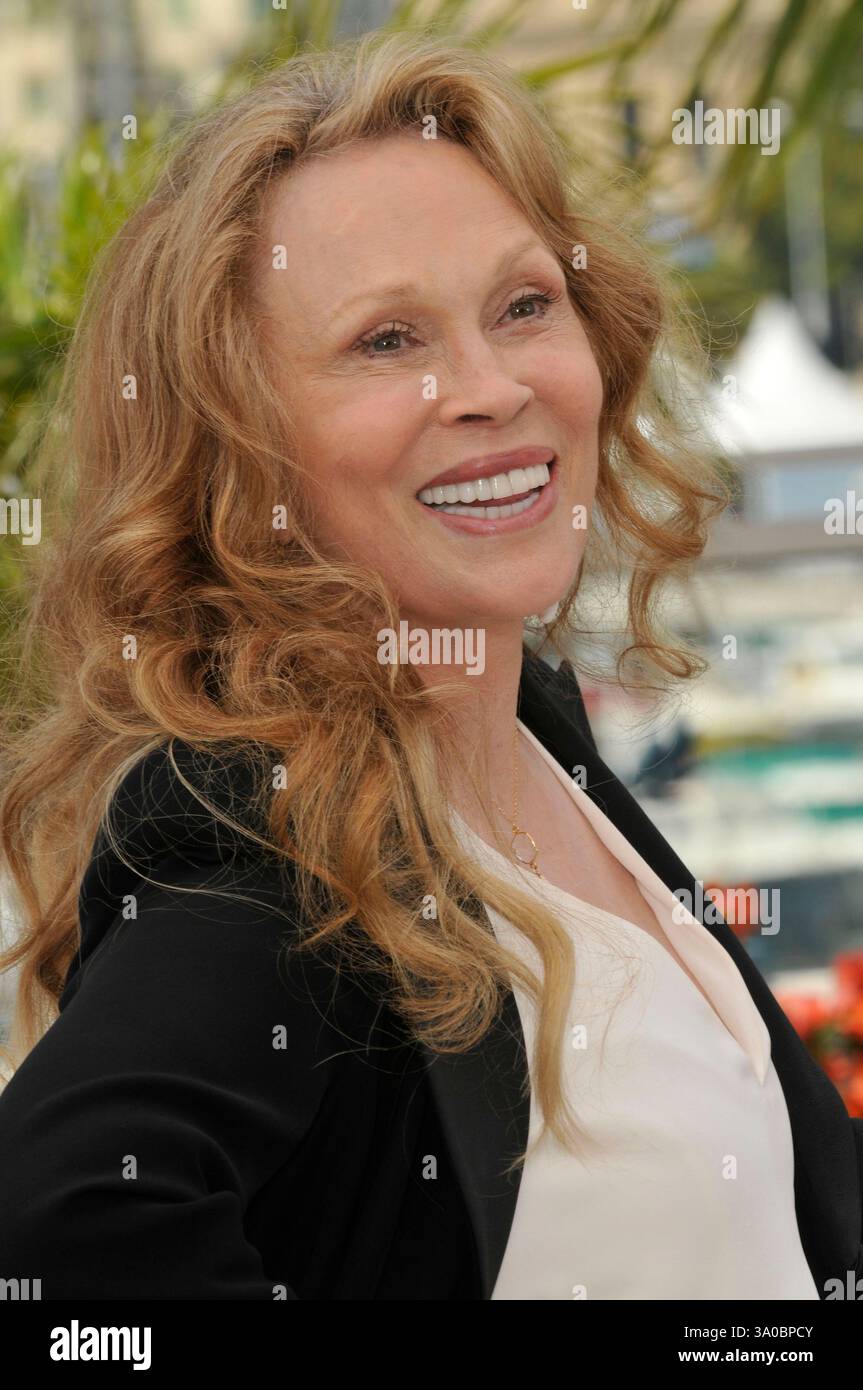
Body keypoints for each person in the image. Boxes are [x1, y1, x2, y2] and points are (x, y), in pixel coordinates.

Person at [0, 30, 860, 1301]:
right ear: (244, 449)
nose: (490, 385)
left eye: (524, 306)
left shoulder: (528, 732)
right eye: (386, 341)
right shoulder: (268, 830)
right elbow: (54, 1240)